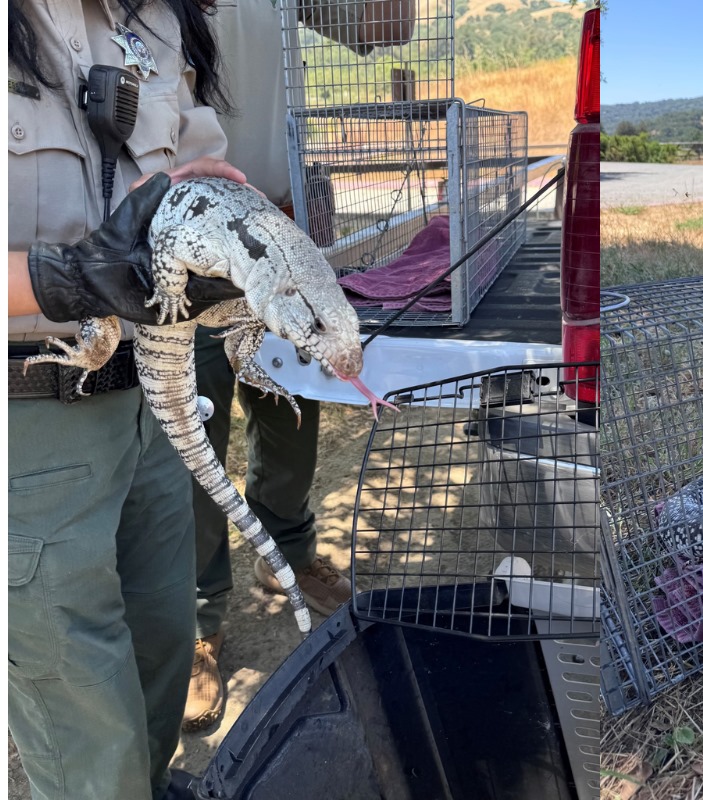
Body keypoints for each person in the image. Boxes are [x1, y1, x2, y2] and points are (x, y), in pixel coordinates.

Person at [7, 1, 246, 797]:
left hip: (151, 404)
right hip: (29, 420)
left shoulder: (156, 19)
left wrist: (234, 249)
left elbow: (201, 174)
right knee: (86, 733)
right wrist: (49, 278)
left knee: (160, 665)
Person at [183, 0, 414, 733]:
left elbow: (386, 29)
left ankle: (285, 546)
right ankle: (196, 617)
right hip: (186, 226)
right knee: (195, 433)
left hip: (280, 221)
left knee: (291, 401)